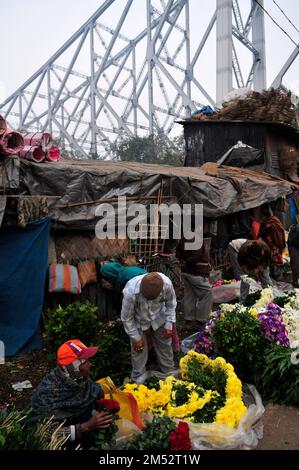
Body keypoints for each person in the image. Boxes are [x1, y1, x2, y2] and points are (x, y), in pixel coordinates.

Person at [28, 339, 112, 445]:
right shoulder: (48, 394)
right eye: (85, 361)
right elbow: (45, 434)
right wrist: (85, 427)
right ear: (73, 368)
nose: (90, 364)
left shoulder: (82, 382)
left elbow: (97, 394)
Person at [121, 272, 177, 384]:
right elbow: (127, 318)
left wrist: (169, 325)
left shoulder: (166, 284)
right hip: (139, 320)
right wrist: (136, 338)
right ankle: (138, 379)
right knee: (139, 350)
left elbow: (171, 304)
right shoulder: (130, 292)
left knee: (165, 345)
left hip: (159, 316)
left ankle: (169, 373)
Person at [176, 237, 212, 330]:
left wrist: (184, 263)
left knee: (189, 295)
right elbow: (196, 256)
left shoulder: (183, 238)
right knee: (207, 292)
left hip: (186, 272)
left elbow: (178, 253)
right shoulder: (196, 238)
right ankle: (200, 320)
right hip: (196, 272)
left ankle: (189, 321)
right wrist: (188, 263)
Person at [251, 203, 286, 279]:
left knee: (276, 260)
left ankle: (278, 276)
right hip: (276, 244)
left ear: (264, 216)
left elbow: (261, 233)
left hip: (274, 244)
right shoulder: (274, 220)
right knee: (275, 260)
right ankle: (277, 276)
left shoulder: (268, 223)